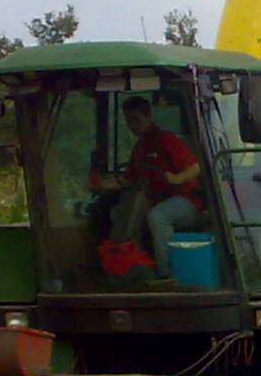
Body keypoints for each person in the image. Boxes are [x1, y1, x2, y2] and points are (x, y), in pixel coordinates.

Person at [88, 95, 205, 277]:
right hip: (156, 201)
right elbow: (128, 180)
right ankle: (129, 268)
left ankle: (167, 273)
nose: (133, 125)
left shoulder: (167, 140)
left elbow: (195, 168)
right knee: (116, 213)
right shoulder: (140, 148)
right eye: (129, 121)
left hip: (187, 201)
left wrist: (176, 178)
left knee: (158, 217)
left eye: (137, 120)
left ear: (149, 116)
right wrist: (101, 184)